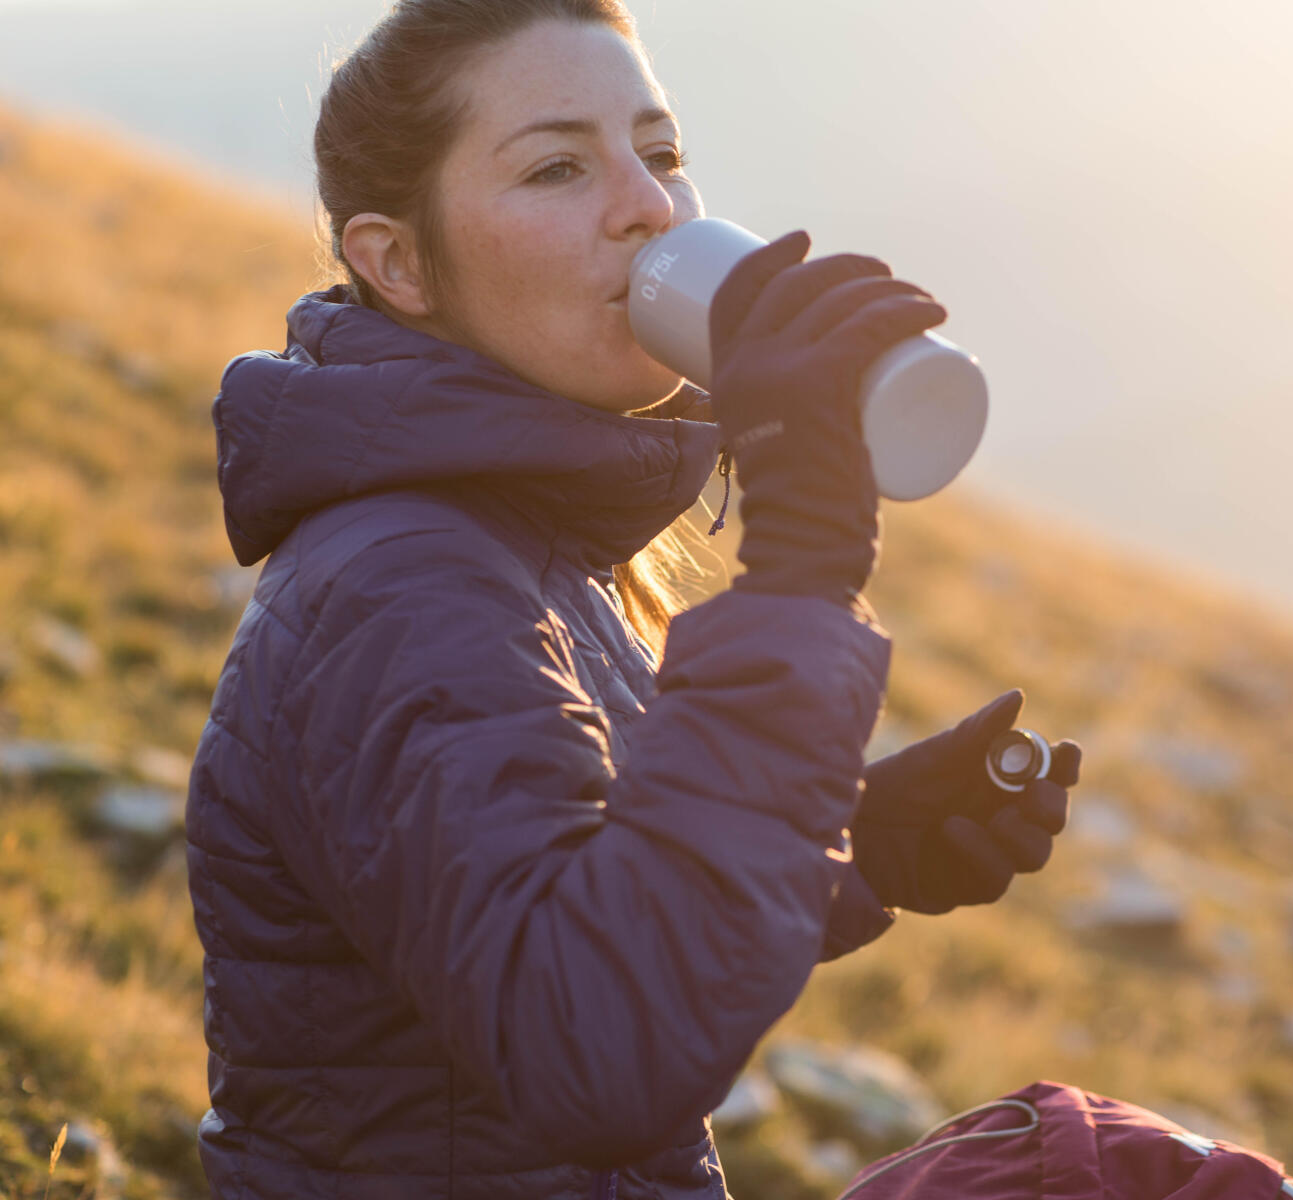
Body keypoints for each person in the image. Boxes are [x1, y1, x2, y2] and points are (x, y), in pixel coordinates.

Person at [183, 1, 1081, 1197]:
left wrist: (854, 846)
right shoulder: (403, 589)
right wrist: (806, 549)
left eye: (660, 154)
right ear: (397, 262)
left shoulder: (514, 541)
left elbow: (540, 917)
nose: (649, 204)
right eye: (558, 167)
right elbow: (597, 1051)